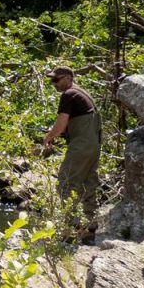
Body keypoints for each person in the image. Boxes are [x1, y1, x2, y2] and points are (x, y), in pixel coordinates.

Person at [41, 65, 100, 234]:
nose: (54, 84)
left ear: (68, 78)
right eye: (52, 80)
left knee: (66, 183)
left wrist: (48, 137)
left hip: (81, 146)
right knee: (88, 184)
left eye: (56, 79)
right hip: (93, 147)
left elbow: (60, 125)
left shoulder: (69, 94)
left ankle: (71, 228)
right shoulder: (83, 94)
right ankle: (90, 226)